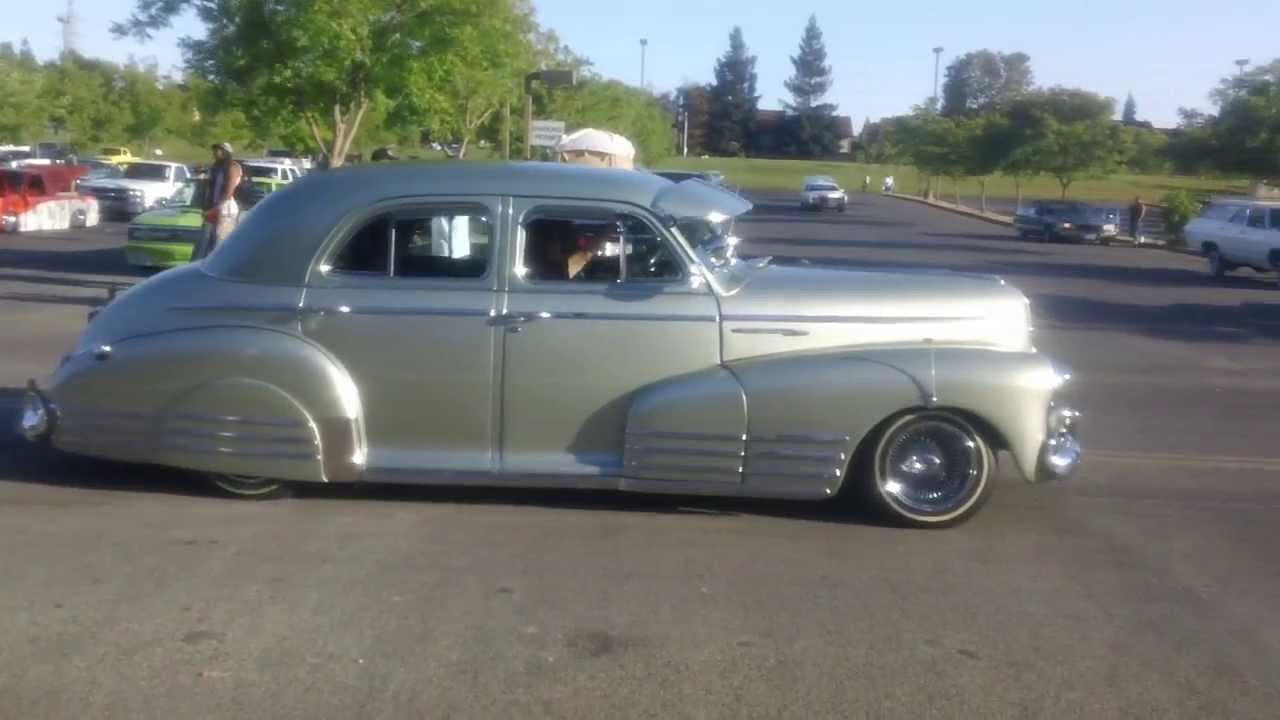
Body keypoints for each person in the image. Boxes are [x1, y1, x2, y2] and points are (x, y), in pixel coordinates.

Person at [191, 142, 243, 260]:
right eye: (214, 150)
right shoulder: (215, 167)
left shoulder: (233, 167)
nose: (215, 153)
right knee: (204, 242)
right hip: (211, 208)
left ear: (226, 152)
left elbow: (228, 193)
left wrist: (213, 210)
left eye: (218, 150)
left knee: (220, 242)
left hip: (226, 209)